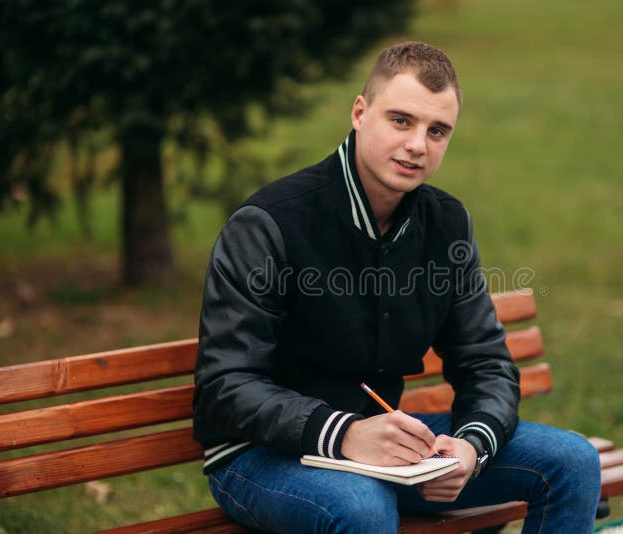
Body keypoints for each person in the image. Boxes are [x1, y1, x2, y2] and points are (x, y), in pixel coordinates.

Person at [193, 41, 601, 533]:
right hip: (262, 455)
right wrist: (343, 433)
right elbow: (226, 385)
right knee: (361, 507)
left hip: (390, 451)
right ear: (359, 113)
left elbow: (485, 361)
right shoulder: (268, 222)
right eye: (401, 121)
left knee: (572, 462)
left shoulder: (446, 223)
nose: (417, 145)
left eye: (437, 130)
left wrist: (470, 446)